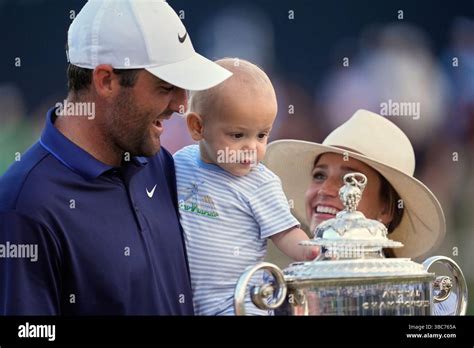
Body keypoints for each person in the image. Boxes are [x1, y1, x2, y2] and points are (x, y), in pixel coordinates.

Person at [0, 0, 232, 315]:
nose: (180, 105)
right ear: (106, 80)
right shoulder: (24, 204)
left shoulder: (158, 163)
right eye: (165, 88)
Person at [264, 109, 458, 315]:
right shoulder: (274, 293)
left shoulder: (433, 302)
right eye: (319, 175)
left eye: (351, 180)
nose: (324, 190)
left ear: (387, 208)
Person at [173, 58, 318, 315]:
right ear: (197, 127)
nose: (252, 147)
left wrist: (314, 253)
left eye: (262, 135)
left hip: (241, 306)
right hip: (184, 305)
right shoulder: (180, 163)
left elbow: (286, 233)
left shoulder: (260, 182)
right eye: (238, 135)